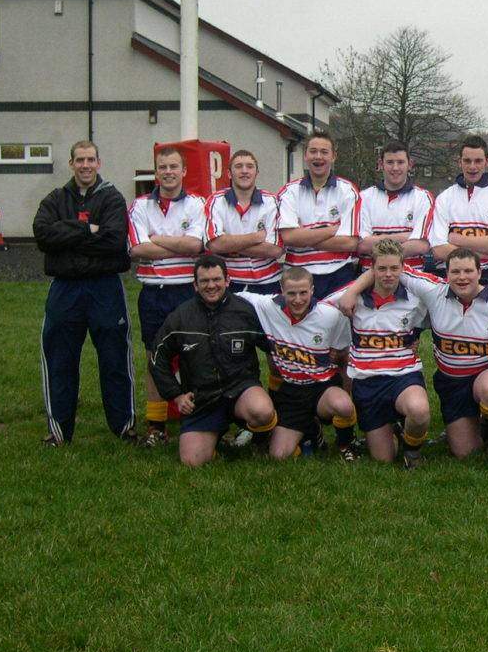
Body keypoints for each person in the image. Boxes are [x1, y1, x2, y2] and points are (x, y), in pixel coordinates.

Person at [338, 246, 488, 459]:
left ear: (480, 272)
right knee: (466, 452)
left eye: (468, 271)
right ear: (445, 274)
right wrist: (352, 291)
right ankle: (470, 427)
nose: (462, 277)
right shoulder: (433, 291)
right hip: (452, 383)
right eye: (455, 272)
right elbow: (390, 267)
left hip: (484, 378)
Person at [33, 140, 135, 445]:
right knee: (60, 358)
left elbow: (114, 241)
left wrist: (68, 238)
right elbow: (42, 234)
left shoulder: (112, 198)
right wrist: (87, 229)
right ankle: (59, 431)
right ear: (71, 164)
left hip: (105, 287)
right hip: (65, 288)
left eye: (91, 160)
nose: (85, 165)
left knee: (114, 357)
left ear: (99, 163)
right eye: (80, 160)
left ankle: (123, 427)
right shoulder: (55, 198)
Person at [149, 256, 277, 466]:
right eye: (204, 281)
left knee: (261, 410)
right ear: (195, 285)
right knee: (192, 461)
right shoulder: (180, 317)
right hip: (202, 397)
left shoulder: (246, 311)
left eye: (217, 279)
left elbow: (273, 347)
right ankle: (214, 438)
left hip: (240, 389)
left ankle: (261, 441)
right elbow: (157, 358)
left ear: (228, 280)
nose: (211, 286)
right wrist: (177, 395)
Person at [235, 266, 357, 461]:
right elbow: (237, 295)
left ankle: (345, 444)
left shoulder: (331, 315)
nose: (298, 299)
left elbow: (343, 359)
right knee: (278, 455)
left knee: (343, 406)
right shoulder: (268, 306)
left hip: (322, 387)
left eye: (303, 293)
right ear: (281, 291)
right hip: (290, 391)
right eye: (291, 293)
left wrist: (347, 394)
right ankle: (312, 430)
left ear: (312, 290)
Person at [128, 145, 205, 447]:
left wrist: (157, 240)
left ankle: (195, 418)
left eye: (174, 167)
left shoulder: (197, 204)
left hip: (186, 289)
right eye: (163, 167)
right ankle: (156, 425)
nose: (168, 172)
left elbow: (196, 246)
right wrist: (177, 244)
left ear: (184, 171)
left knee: (193, 356)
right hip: (154, 292)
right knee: (154, 357)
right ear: (156, 171)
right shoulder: (139, 206)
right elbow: (137, 250)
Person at [327, 240, 430, 467]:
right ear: (371, 269)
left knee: (419, 410)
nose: (388, 275)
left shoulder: (417, 299)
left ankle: (412, 451)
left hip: (404, 376)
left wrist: (416, 336)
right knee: (384, 458)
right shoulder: (351, 298)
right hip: (367, 382)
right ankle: (395, 425)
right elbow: (317, 310)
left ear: (403, 268)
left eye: (394, 268)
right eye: (382, 269)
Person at [275, 132, 362, 300]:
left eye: (324, 152)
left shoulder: (348, 191)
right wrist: (332, 230)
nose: (318, 157)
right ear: (305, 155)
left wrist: (304, 236)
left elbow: (350, 242)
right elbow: (288, 237)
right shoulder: (289, 192)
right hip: (297, 276)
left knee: (338, 325)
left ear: (333, 156)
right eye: (313, 151)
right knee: (299, 326)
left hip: (338, 275)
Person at [429, 135, 488, 291]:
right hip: (451, 273)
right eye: (467, 161)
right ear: (459, 162)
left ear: (487, 162)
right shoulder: (444, 198)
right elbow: (438, 250)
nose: (472, 167)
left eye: (478, 161)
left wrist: (456, 239)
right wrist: (487, 253)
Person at [204, 149, 284, 295]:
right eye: (239, 166)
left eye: (250, 166)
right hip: (228, 283)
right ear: (229, 173)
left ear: (256, 173)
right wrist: (256, 237)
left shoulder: (272, 201)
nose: (244, 171)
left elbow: (275, 250)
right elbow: (214, 244)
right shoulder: (215, 201)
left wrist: (229, 245)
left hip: (267, 283)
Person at [356, 139, 435, 273]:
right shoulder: (363, 197)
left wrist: (376, 239)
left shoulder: (423, 198)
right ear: (381, 164)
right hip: (369, 276)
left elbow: (421, 245)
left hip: (411, 275)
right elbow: (362, 245)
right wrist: (406, 236)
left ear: (410, 164)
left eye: (400, 162)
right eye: (390, 162)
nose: (395, 168)